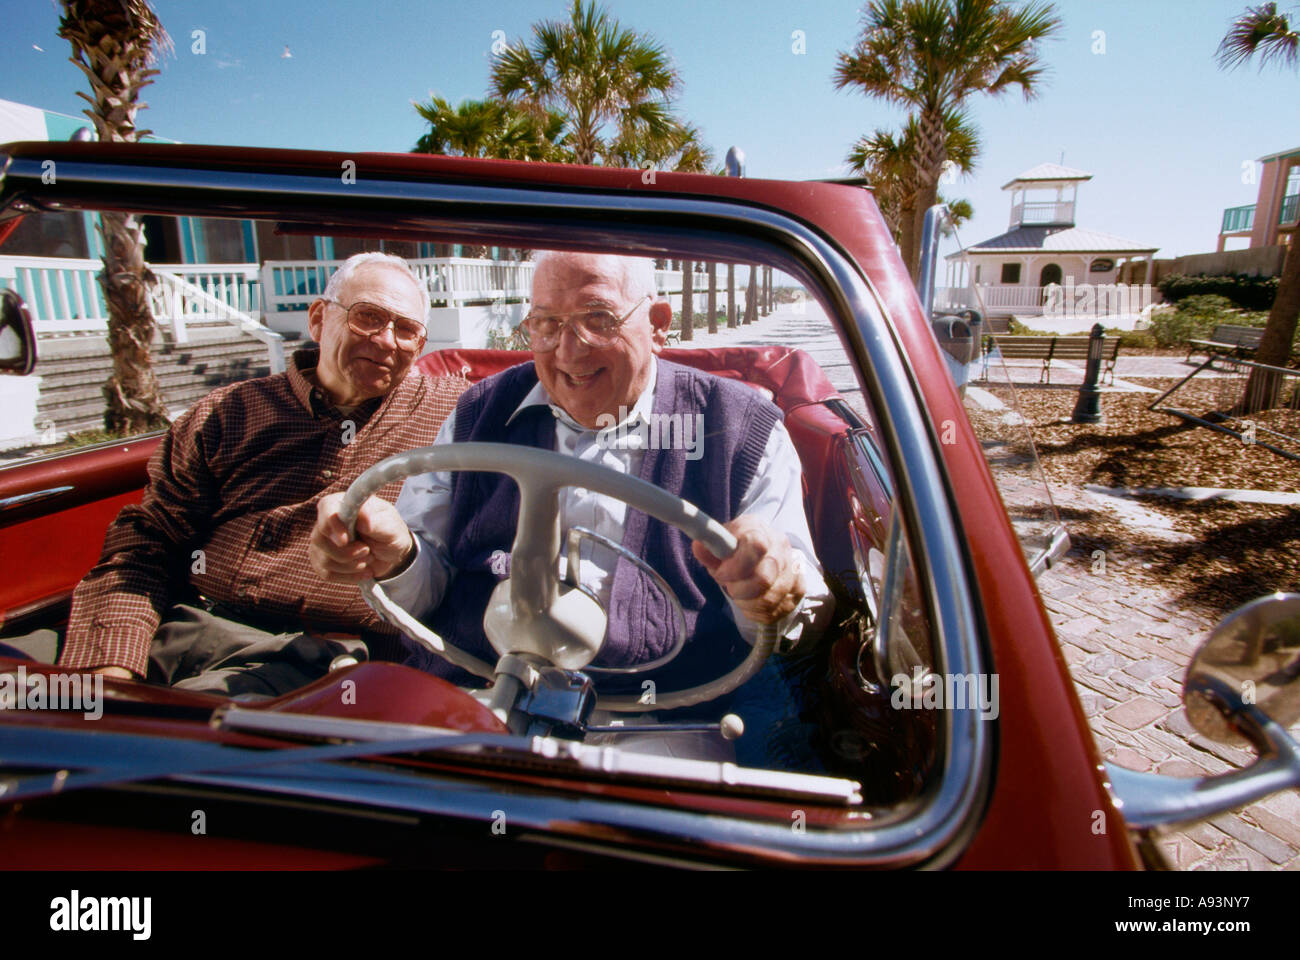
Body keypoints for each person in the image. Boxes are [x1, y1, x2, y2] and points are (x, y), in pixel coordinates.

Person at [309, 252, 830, 705]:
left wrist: (769, 587)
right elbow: (421, 592)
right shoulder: (476, 414)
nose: (570, 350)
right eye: (546, 323)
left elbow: (789, 620)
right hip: (472, 695)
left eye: (598, 319)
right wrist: (398, 556)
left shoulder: (741, 429)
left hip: (667, 714)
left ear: (658, 322)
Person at [51, 252, 468, 695]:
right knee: (28, 696)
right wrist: (111, 667)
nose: (387, 341)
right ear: (318, 319)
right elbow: (147, 545)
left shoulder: (459, 415)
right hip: (190, 626)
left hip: (330, 662)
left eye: (407, 330)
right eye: (369, 317)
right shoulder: (224, 414)